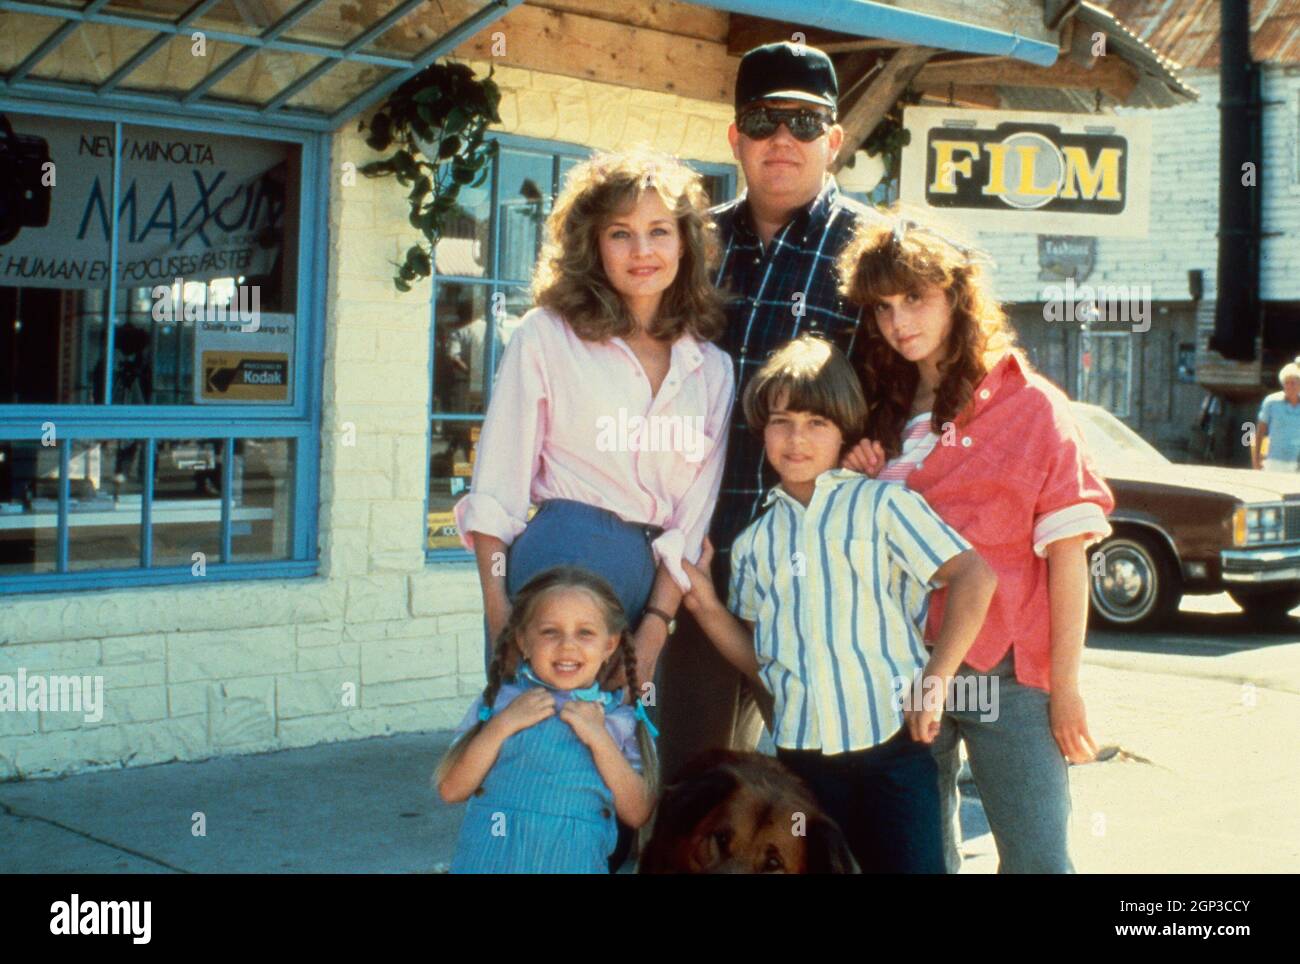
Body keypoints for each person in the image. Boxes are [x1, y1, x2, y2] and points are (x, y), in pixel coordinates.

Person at [838, 214, 1116, 873]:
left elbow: (1069, 557)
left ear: (957, 295)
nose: (899, 322)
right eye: (882, 308)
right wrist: (855, 476)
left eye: (915, 298)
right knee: (918, 861)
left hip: (1008, 673)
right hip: (904, 665)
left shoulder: (1032, 407)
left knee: (1037, 861)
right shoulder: (884, 406)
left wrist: (1068, 686)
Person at [679, 335, 997, 872]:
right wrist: (708, 607)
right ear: (761, 430)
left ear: (845, 429)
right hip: (805, 769)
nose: (796, 439)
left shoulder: (883, 505)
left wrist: (935, 680)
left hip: (894, 750)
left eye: (816, 423)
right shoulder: (757, 541)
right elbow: (764, 657)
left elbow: (974, 576)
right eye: (781, 422)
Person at [658, 40, 881, 782]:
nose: (782, 138)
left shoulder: (875, 251)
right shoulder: (689, 246)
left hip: (823, 572)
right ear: (735, 137)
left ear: (835, 141)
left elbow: (911, 391)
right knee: (695, 784)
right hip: (704, 559)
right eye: (762, 119)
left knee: (830, 783)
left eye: (805, 121)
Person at [453, 148, 733, 678]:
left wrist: (653, 629)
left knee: (621, 750)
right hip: (559, 569)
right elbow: (496, 491)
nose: (641, 250)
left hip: (650, 588)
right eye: (620, 233)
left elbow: (692, 518)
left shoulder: (711, 368)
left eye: (659, 231)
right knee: (543, 742)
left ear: (685, 244)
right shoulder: (546, 336)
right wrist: (499, 620)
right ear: (594, 245)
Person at [436, 567, 657, 874]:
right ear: (524, 641)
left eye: (585, 632)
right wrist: (502, 725)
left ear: (609, 645)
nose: (568, 645)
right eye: (550, 631)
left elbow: (638, 812)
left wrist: (599, 738)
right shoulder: (500, 703)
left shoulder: (617, 721)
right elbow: (451, 789)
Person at [1253, 363, 1300, 472]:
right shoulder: (1271, 402)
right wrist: (1256, 460)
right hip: (1275, 462)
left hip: (1297, 462)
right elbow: (1260, 432)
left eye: (1293, 383)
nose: (1289, 386)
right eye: (1286, 383)